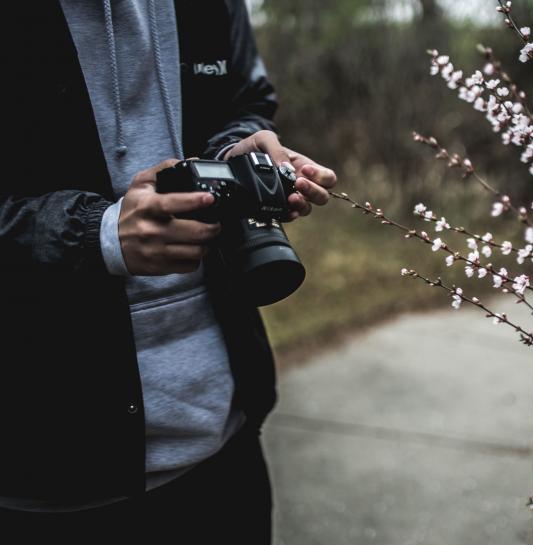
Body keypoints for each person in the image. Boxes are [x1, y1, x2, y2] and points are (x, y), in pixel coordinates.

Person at [0, 1, 336, 542]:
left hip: (226, 438)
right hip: (46, 473)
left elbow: (245, 102)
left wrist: (236, 155)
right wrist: (97, 234)